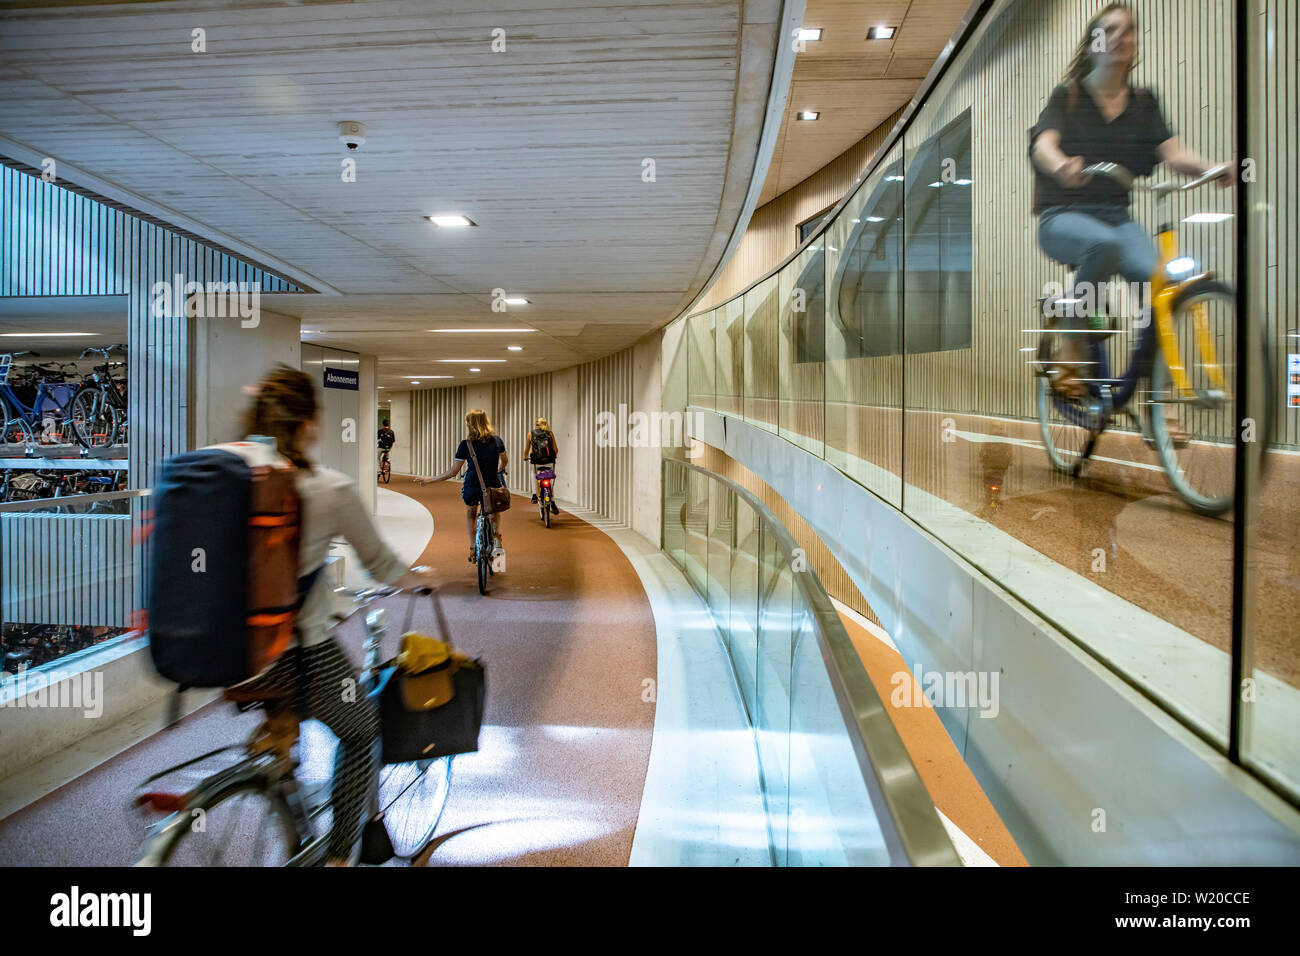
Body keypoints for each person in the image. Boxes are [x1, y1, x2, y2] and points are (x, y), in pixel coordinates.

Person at [236, 366, 436, 865]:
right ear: (309, 423)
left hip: (227, 650)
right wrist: (418, 579)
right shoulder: (327, 487)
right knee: (361, 729)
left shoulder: (229, 473)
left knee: (286, 728)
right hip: (294, 649)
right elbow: (382, 563)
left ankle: (279, 776)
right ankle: (339, 856)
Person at [1029, 2, 1231, 399]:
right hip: (1063, 215)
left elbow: (1174, 154)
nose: (1123, 36)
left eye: (1130, 29)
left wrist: (1213, 169)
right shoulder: (1068, 96)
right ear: (1092, 46)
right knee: (1103, 246)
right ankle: (1071, 345)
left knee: (1163, 285)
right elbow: (1043, 145)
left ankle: (1161, 404)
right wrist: (1061, 166)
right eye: (1111, 30)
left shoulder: (1144, 102)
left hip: (1117, 216)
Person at [414, 409, 509, 561]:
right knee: (493, 510)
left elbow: (453, 472)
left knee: (471, 513)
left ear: (470, 424)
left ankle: (473, 548)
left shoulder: (466, 445)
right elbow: (504, 461)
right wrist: (499, 469)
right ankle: (497, 538)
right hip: (492, 485)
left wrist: (430, 479)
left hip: (472, 486)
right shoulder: (497, 441)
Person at [526, 416, 559, 515]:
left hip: (536, 461)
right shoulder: (550, 433)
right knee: (550, 478)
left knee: (533, 473)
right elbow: (555, 449)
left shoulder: (530, 434)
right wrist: (553, 457)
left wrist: (525, 456)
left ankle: (534, 495)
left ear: (536, 424)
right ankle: (552, 501)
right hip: (550, 461)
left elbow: (527, 450)